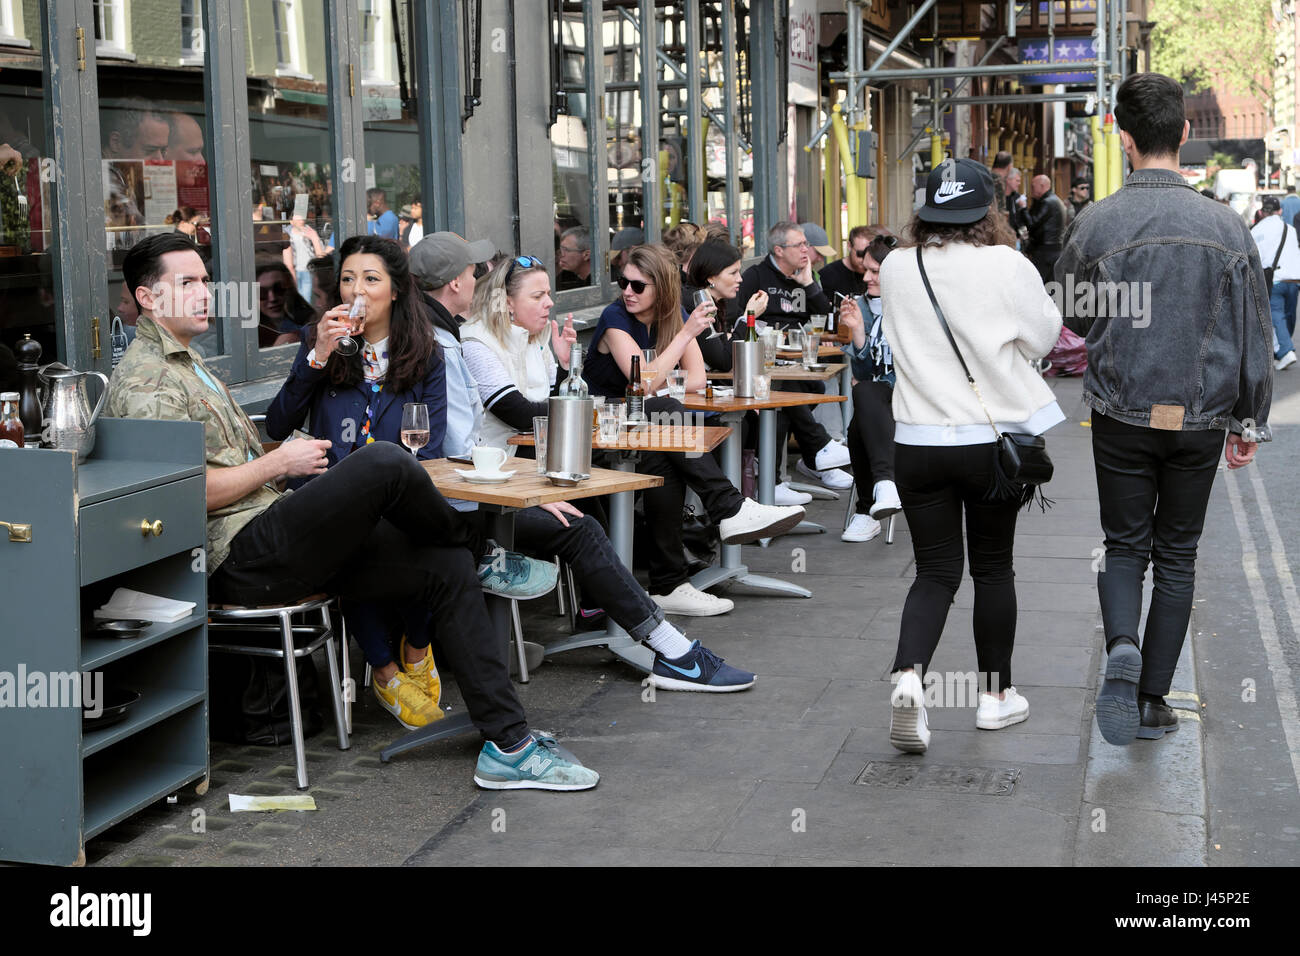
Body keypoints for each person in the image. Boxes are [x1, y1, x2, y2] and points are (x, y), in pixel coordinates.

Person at [110, 232, 596, 791]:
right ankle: (484, 550)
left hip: (274, 529)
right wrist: (279, 462)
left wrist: (283, 465)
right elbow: (182, 496)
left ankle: (508, 744)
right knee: (384, 462)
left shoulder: (186, 361)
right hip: (234, 555)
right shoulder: (148, 379)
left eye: (205, 279)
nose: (205, 293)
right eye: (187, 283)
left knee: (445, 569)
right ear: (147, 298)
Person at [410, 232, 756, 690]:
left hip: (510, 476)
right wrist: (530, 484)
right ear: (491, 297)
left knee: (646, 463)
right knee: (610, 483)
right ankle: (671, 628)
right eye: (539, 295)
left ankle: (647, 591)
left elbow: (557, 401)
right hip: (486, 489)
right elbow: (506, 419)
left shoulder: (501, 339)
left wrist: (559, 365)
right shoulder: (462, 344)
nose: (550, 302)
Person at [1057, 72, 1273, 747]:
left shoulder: (1097, 221)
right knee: (1178, 555)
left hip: (1121, 410)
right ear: (1184, 133)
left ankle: (1121, 642)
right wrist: (1249, 419)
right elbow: (1253, 331)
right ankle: (1152, 699)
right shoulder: (1226, 224)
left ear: (1123, 138)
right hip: (1201, 417)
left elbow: (1068, 311)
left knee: (1125, 545)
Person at [880, 157, 1065, 754]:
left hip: (915, 444)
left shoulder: (895, 265)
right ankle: (994, 698)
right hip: (993, 445)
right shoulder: (1006, 264)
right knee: (992, 569)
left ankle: (909, 678)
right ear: (988, 210)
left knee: (934, 572)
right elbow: (1043, 338)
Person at [564, 243, 807, 615]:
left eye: (638, 286)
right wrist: (683, 336)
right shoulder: (615, 320)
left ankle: (669, 584)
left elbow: (697, 376)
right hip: (595, 433)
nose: (628, 292)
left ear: (661, 288)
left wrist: (667, 360)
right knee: (667, 408)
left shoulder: (671, 314)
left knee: (668, 452)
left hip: (639, 429)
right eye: (623, 283)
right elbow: (640, 385)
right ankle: (728, 507)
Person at [682, 239, 807, 505]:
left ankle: (759, 489)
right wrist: (749, 317)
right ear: (711, 276)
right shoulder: (695, 300)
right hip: (686, 396)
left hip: (702, 390)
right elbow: (724, 359)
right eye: (733, 272)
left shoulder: (709, 299)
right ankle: (748, 496)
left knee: (773, 405)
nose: (740, 279)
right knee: (760, 410)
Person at [737, 221, 854, 491]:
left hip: (801, 360)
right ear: (779, 250)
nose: (806, 250)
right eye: (799, 245)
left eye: (806, 244)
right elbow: (739, 320)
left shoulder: (806, 276)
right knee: (786, 390)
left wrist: (810, 284)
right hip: (764, 361)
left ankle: (776, 478)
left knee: (797, 388)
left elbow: (828, 323)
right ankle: (817, 452)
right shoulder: (756, 276)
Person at [835, 234, 903, 542]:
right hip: (877, 400)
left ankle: (866, 509)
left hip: (913, 398)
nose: (866, 277)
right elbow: (863, 372)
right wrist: (859, 333)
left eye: (875, 271)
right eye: (865, 270)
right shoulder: (859, 306)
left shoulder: (913, 306)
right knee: (863, 401)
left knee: (863, 401)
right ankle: (883, 489)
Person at [1249, 195, 1300, 370]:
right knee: (1288, 315)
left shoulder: (1256, 231)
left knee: (1276, 315)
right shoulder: (1290, 229)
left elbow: (1254, 258)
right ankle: (1281, 352)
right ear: (1280, 211)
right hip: (1293, 279)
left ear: (1263, 211)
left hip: (1273, 280)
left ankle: (1285, 351)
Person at [256, 256, 316, 347]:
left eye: (279, 289)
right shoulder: (249, 335)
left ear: (290, 289)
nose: (272, 298)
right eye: (262, 292)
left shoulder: (311, 324)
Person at [1024, 174, 1066, 283]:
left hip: (1045, 252)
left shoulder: (1048, 202)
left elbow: (1032, 223)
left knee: (1038, 284)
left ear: (1042, 186)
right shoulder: (1054, 200)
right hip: (1053, 250)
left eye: (1033, 186)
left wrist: (1023, 208)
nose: (1031, 190)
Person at [819, 225, 873, 302]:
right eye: (860, 254)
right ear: (849, 246)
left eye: (868, 254)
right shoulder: (828, 275)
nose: (864, 260)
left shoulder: (873, 276)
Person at [283, 214, 327, 301]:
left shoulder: (310, 232)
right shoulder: (287, 234)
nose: (300, 218)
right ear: (291, 221)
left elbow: (321, 256)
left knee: (306, 299)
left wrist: (314, 238)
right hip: (294, 270)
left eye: (301, 215)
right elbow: (288, 262)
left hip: (308, 271)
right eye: (297, 216)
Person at [556, 225, 592, 290]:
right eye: (561, 249)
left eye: (566, 250)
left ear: (586, 255)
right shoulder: (566, 276)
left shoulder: (595, 284)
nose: (561, 254)